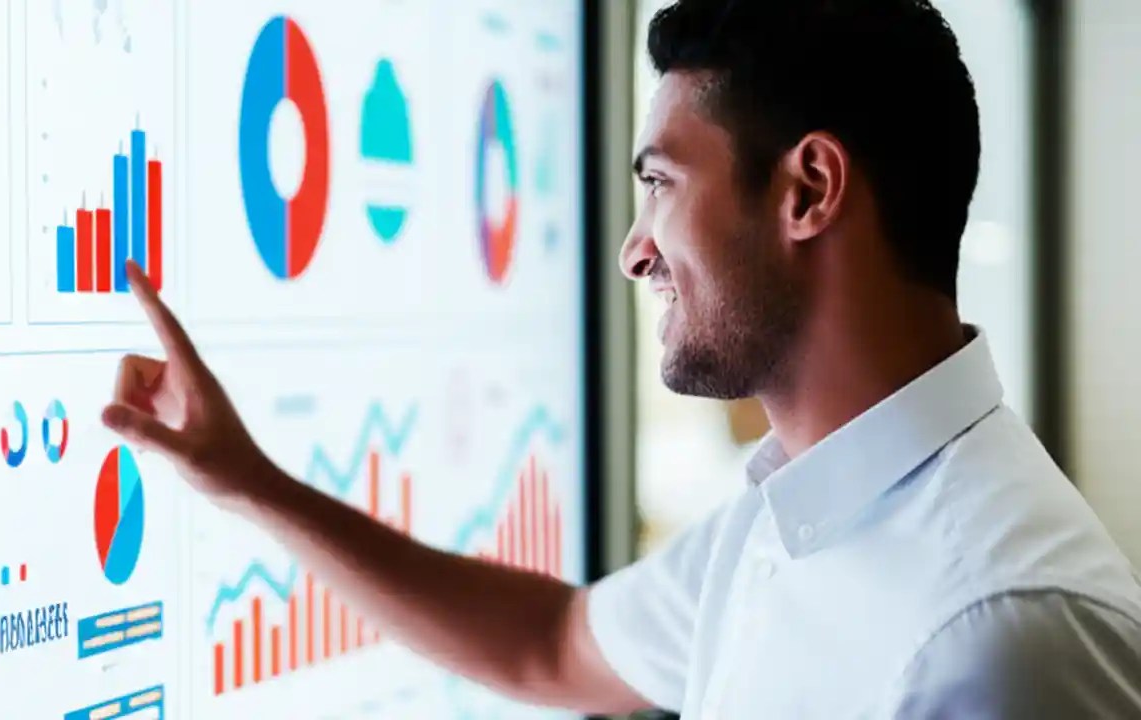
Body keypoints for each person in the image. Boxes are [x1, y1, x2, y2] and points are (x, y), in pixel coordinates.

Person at [103, 0, 1141, 717]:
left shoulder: (1003, 636)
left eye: (660, 183)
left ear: (808, 191)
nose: (632, 248)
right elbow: (547, 645)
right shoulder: (786, 518)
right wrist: (247, 484)